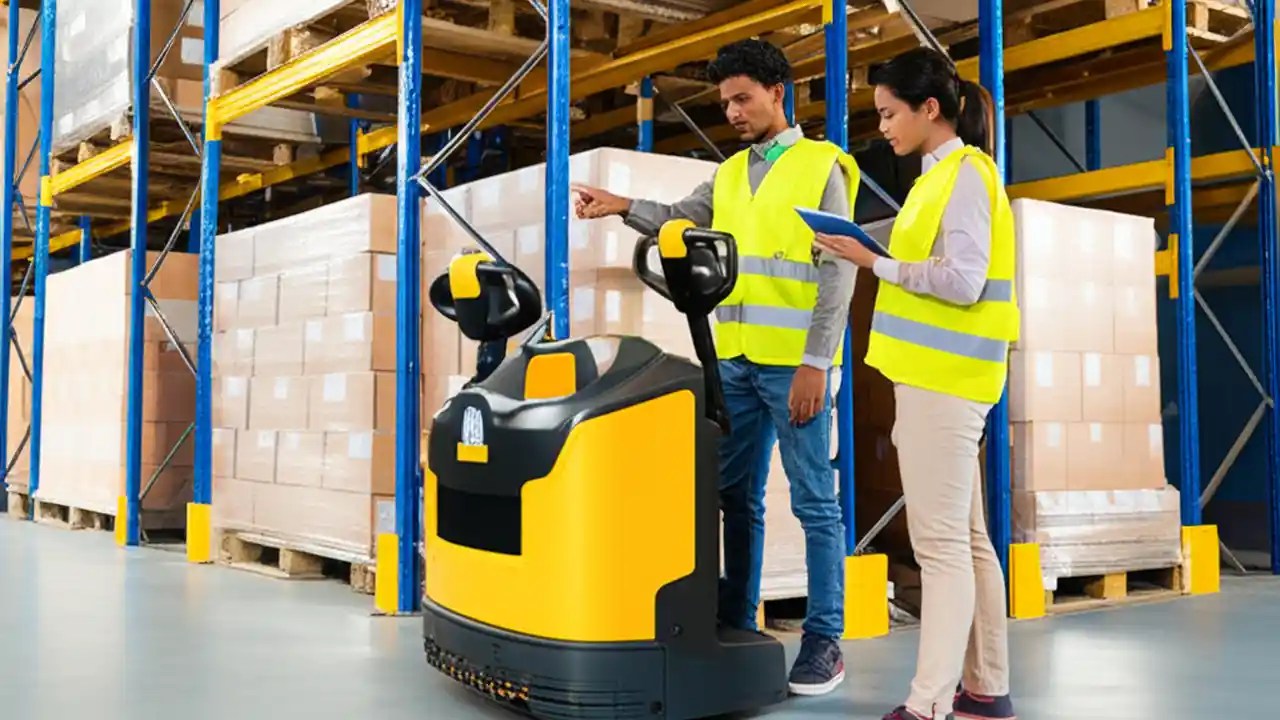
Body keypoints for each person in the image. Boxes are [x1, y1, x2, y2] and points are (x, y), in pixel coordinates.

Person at [572, 38, 861, 697]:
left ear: (776, 93)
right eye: (725, 101)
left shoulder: (822, 168)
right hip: (733, 362)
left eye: (742, 98)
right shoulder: (729, 176)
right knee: (735, 498)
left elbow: (838, 271)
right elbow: (678, 220)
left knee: (816, 500)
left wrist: (817, 362)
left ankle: (825, 639)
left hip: (796, 368)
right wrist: (622, 208)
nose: (731, 111)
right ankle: (735, 615)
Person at [812, 47, 1019, 720]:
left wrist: (879, 265)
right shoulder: (940, 178)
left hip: (944, 385)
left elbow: (961, 280)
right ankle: (985, 689)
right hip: (944, 381)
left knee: (938, 548)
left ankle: (928, 703)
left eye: (889, 113)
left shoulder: (963, 175)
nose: (883, 128)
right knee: (969, 542)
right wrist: (871, 255)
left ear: (929, 109)